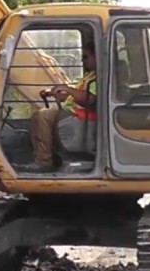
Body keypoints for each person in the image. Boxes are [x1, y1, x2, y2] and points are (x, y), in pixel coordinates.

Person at [29, 40, 98, 172]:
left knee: (42, 117)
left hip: (85, 116)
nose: (83, 61)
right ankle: (49, 158)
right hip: (75, 111)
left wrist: (69, 89)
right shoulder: (90, 75)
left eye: (86, 57)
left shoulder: (100, 77)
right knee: (41, 115)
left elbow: (91, 99)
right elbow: (80, 96)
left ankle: (45, 161)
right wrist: (61, 95)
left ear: (97, 56)